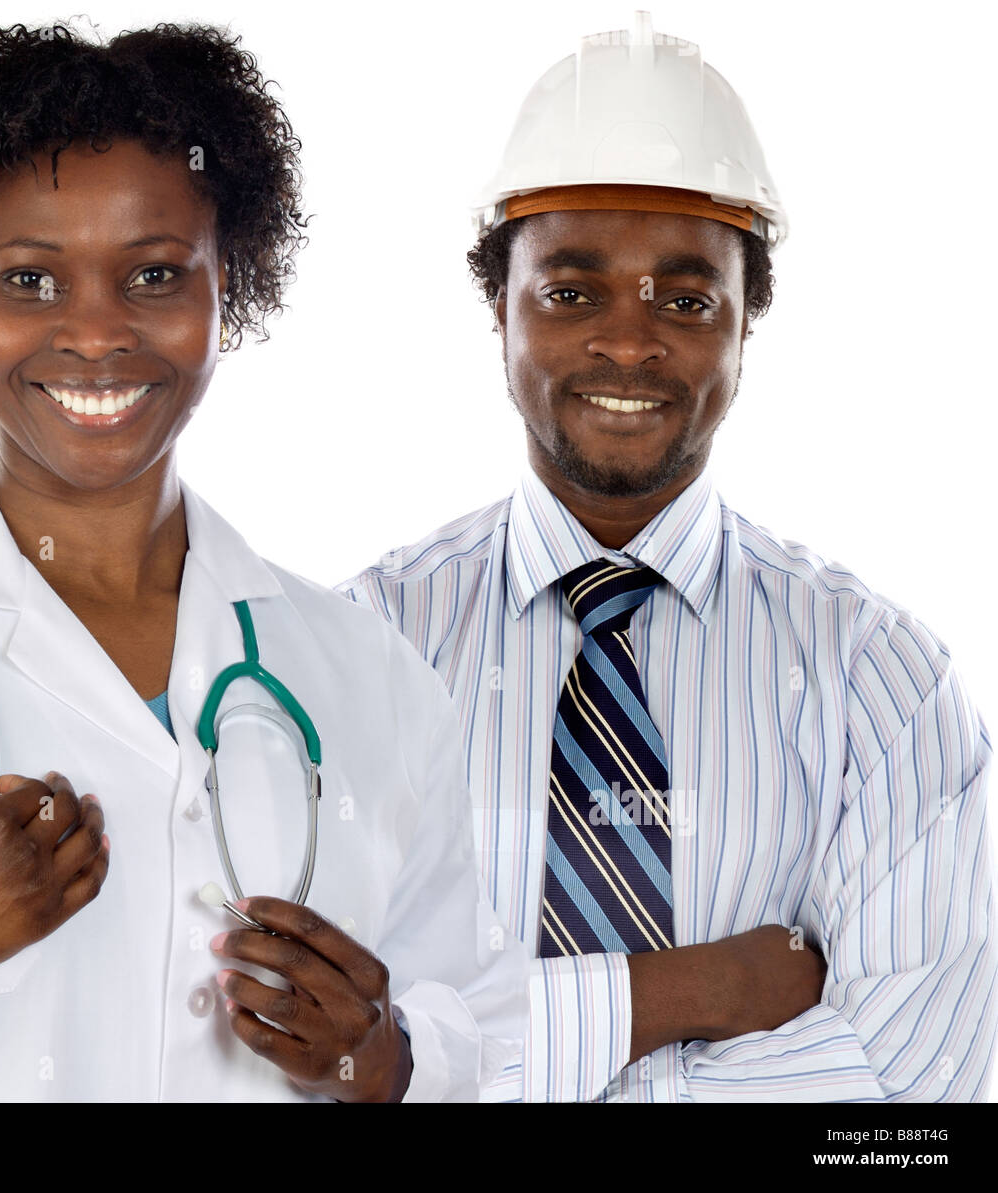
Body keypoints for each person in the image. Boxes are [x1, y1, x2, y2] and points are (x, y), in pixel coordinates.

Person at [0, 20, 525, 1102]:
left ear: (231, 288)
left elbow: (486, 1028)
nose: (94, 332)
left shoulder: (375, 682)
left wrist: (384, 1058)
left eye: (154, 274)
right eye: (30, 280)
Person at [339, 11, 995, 1101]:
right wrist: (682, 991)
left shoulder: (881, 681)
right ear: (496, 307)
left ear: (747, 327)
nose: (630, 340)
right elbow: (296, 1056)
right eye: (571, 290)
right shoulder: (359, 647)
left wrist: (457, 1058)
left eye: (686, 299)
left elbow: (907, 1103)